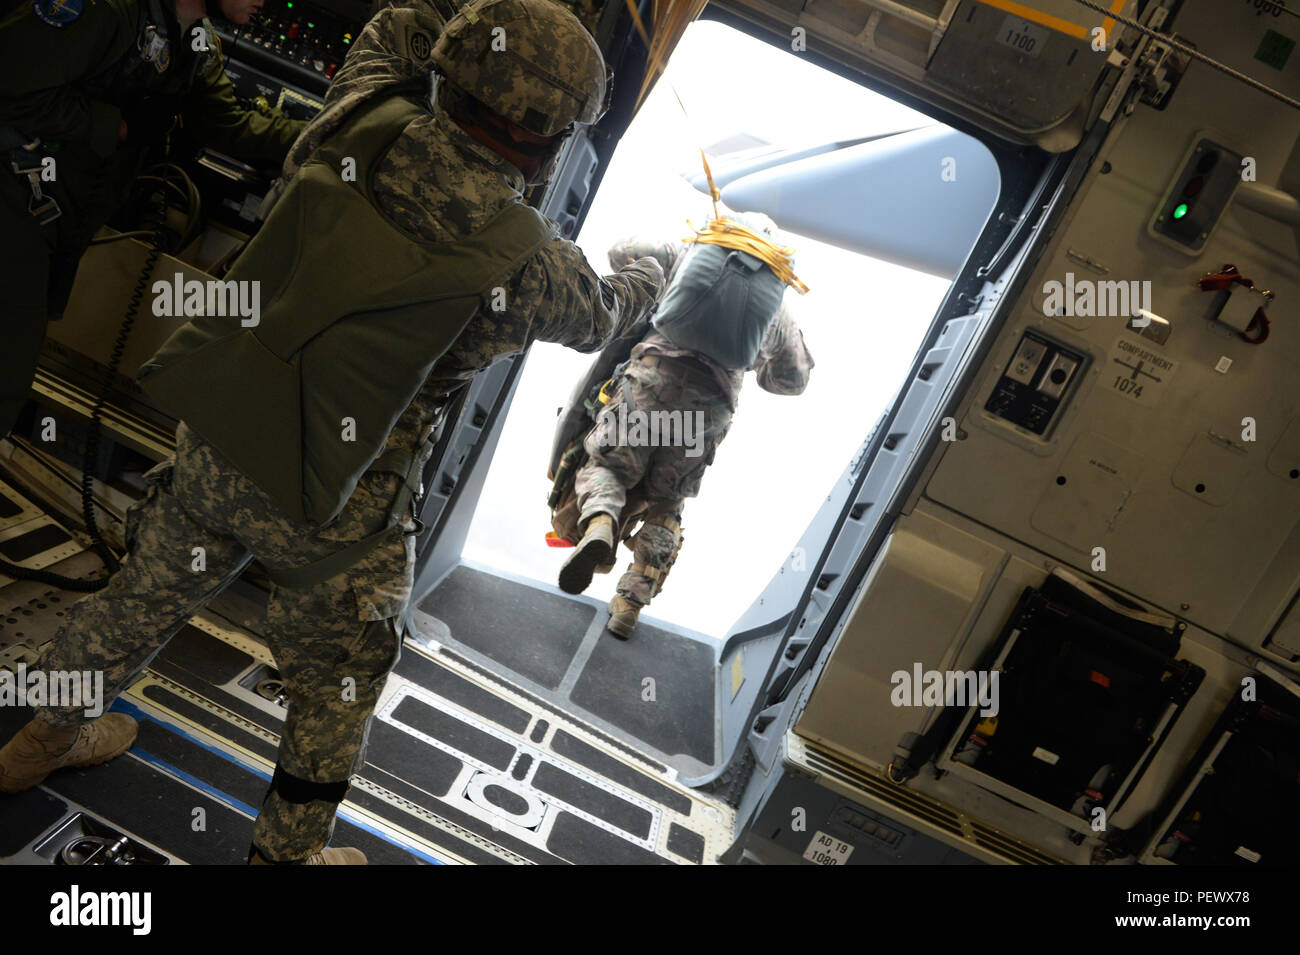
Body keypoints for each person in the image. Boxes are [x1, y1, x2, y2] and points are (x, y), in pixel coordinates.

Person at [0, 0, 666, 865]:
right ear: (555, 138)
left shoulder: (361, 117)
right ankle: (288, 855)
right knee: (333, 694)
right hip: (337, 507)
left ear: (455, 68)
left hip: (225, 436)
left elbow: (396, 25)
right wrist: (652, 266)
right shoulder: (534, 268)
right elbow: (609, 311)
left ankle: (36, 743)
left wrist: (472, 28)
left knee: (136, 601)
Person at [0, 0, 307, 438]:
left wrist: (331, 131)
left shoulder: (196, 42)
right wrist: (117, 126)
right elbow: (10, 81)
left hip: (59, 217)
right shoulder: (109, 10)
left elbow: (229, 124)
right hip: (16, 196)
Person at [557, 215, 813, 638]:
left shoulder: (687, 253)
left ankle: (600, 520)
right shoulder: (776, 306)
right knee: (667, 503)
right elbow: (792, 380)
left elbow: (622, 249)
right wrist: (757, 355)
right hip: (705, 411)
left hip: (649, 380)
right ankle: (628, 605)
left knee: (608, 466)